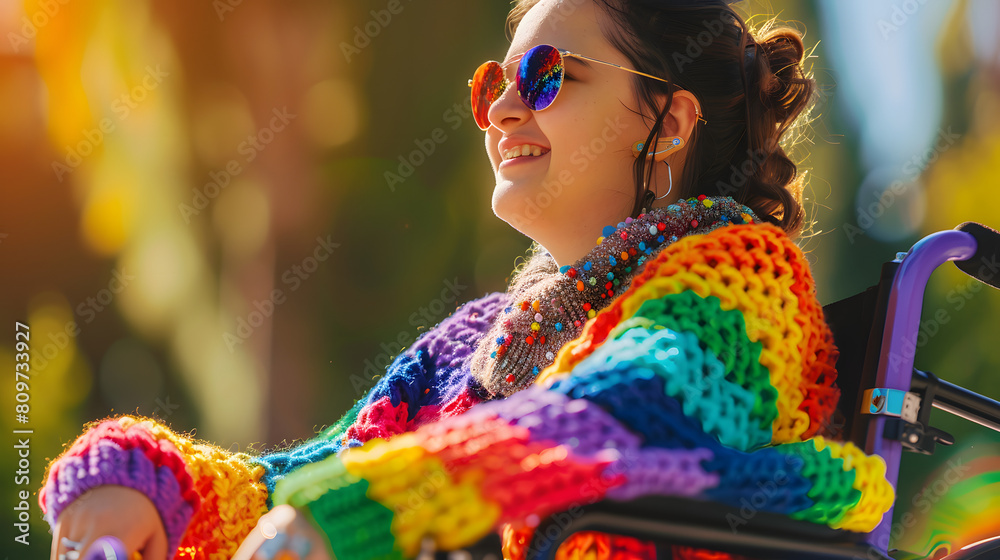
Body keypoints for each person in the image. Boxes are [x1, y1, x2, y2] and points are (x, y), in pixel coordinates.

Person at [40, 1, 896, 560]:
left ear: (668, 123)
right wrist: (139, 478)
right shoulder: (477, 343)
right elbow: (299, 482)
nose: (502, 110)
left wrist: (379, 504)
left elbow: (627, 417)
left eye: (548, 76)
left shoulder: (741, 280)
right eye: (498, 82)